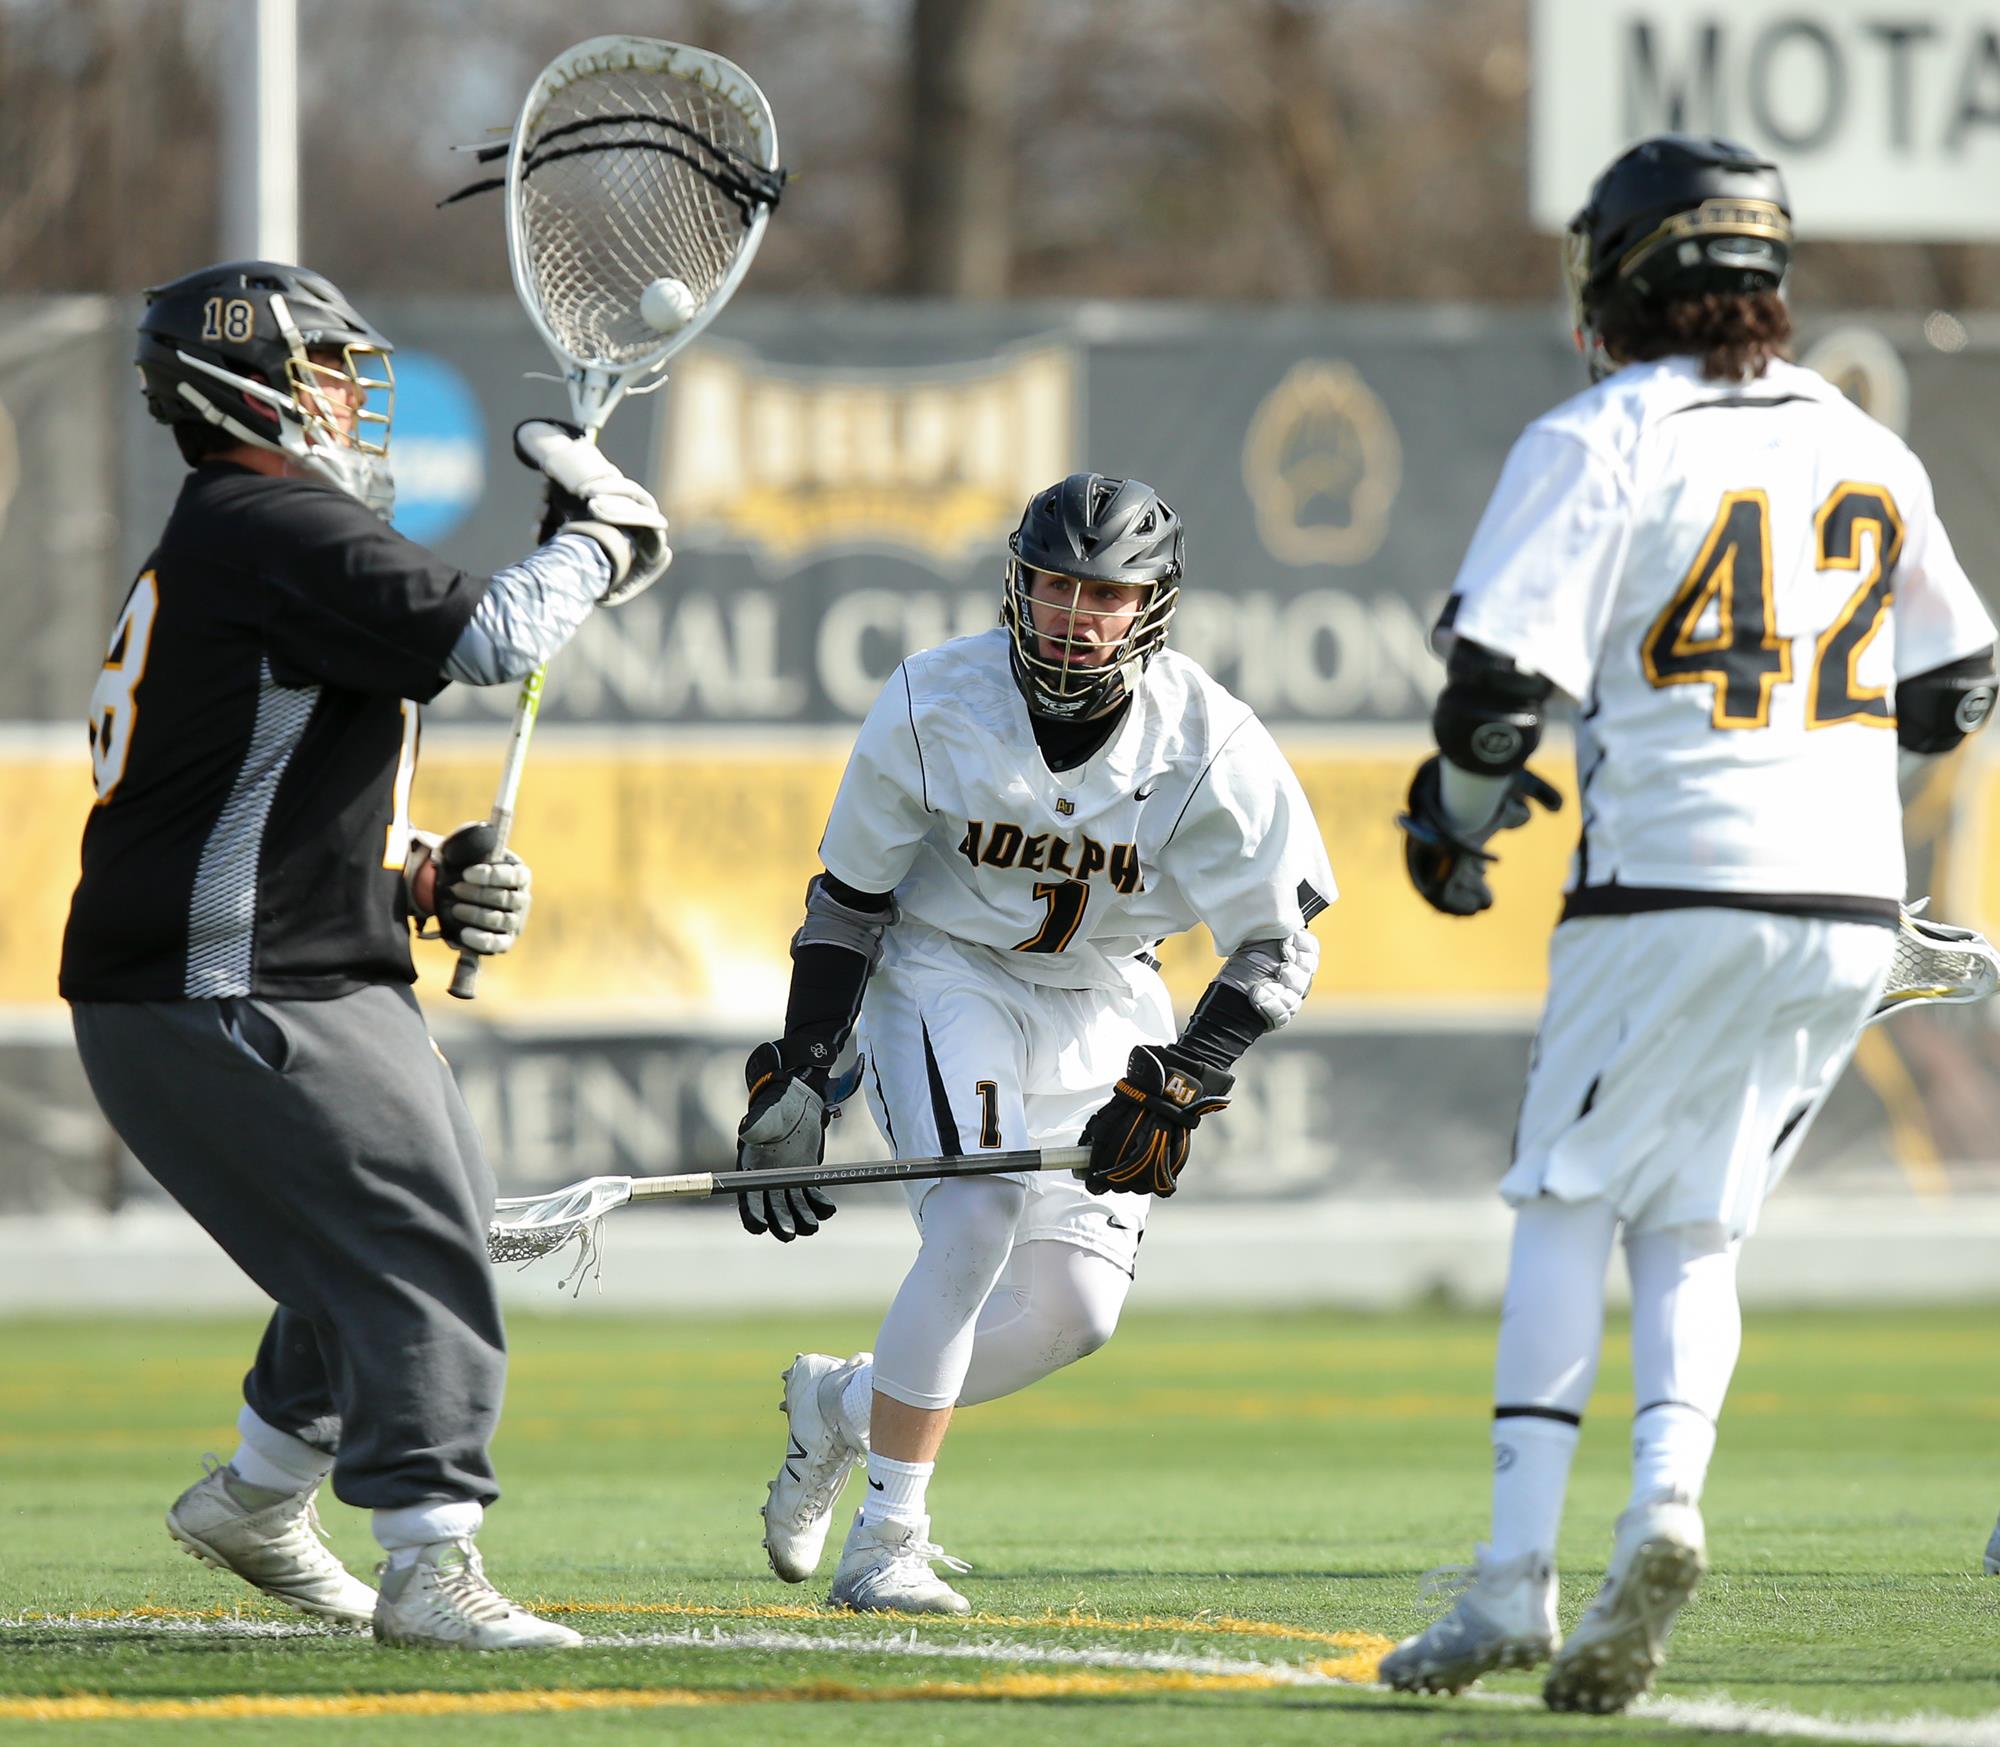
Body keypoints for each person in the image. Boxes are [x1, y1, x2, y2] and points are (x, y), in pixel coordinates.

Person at [1378, 136, 1997, 1713]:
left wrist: (1448, 825)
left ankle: (1514, 1572)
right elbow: (1957, 681)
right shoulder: (1865, 439)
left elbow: (1495, 692)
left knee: (1565, 1195)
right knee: (1701, 1219)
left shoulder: (1604, 432)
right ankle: (1665, 1502)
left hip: (1666, 885)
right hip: (1849, 901)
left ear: (1623, 272)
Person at [59, 260, 671, 1650]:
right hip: (229, 981)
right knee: (412, 1239)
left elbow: (245, 780)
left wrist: (419, 876)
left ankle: (260, 1492)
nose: (354, 396)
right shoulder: (267, 517)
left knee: (407, 1225)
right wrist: (604, 540)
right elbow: (497, 633)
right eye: (331, 369)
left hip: (269, 963)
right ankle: (429, 1554)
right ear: (247, 383)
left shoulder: (252, 531)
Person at [732, 471, 1335, 1613]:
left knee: (1071, 1313)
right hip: (945, 969)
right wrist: (806, 1061)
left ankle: (840, 1408)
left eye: (1103, 592)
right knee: (975, 1212)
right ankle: (886, 1539)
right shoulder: (933, 697)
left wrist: (1182, 1081)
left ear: (1149, 604)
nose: (1074, 612)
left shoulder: (1207, 740)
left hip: (1107, 990)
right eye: (1054, 584)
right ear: (1017, 584)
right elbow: (850, 898)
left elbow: (1275, 945)